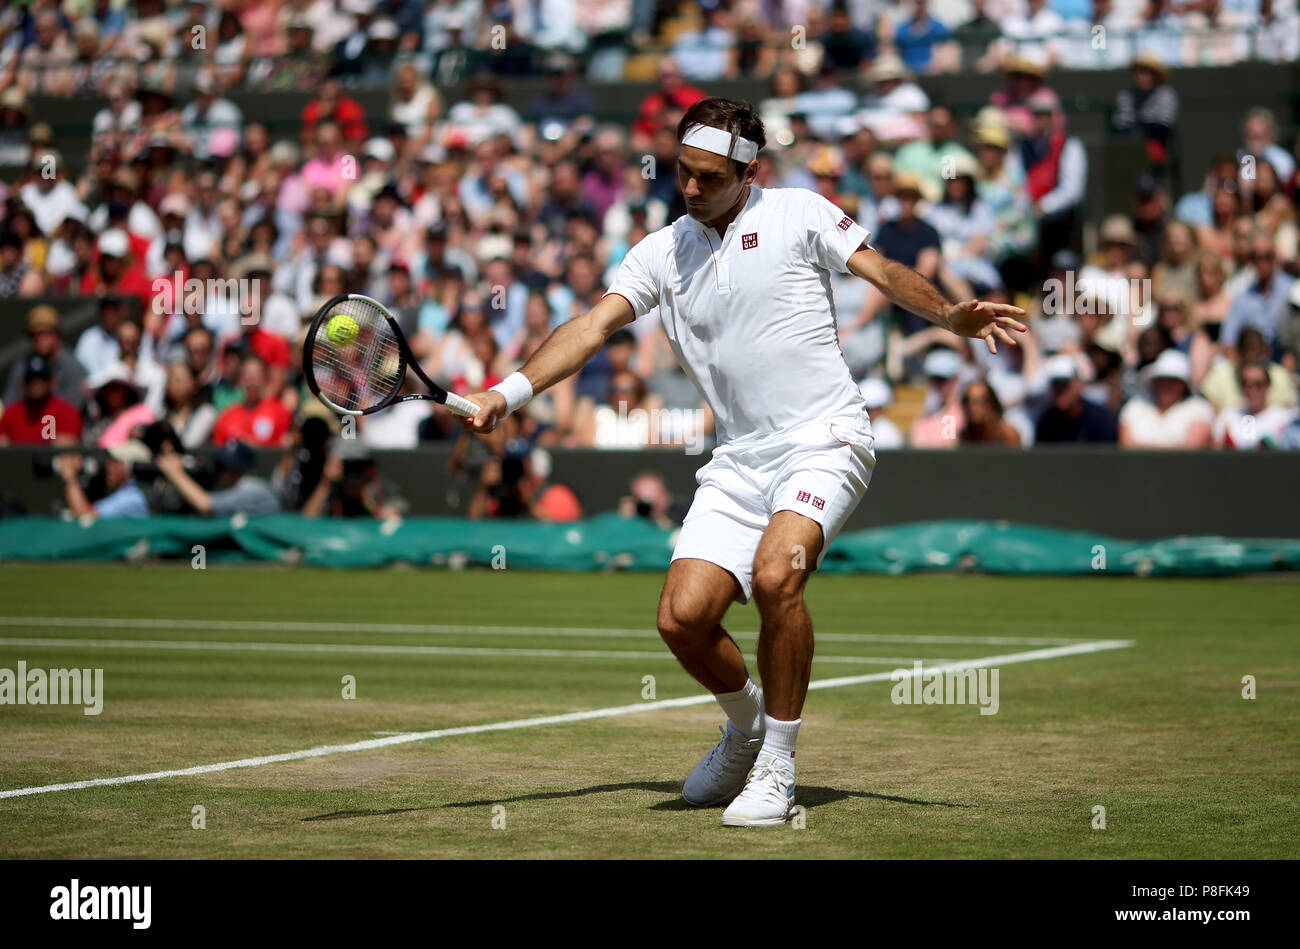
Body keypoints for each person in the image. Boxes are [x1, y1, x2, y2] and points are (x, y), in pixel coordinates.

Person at [454, 98, 1025, 827]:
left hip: (826, 437)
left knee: (776, 574)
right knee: (680, 619)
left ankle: (779, 762)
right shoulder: (663, 249)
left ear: (748, 172)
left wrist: (948, 315)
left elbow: (880, 272)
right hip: (739, 458)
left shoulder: (799, 212)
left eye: (708, 178)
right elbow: (594, 326)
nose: (689, 189)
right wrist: (508, 392)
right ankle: (746, 726)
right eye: (683, 174)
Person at [155, 438, 280, 516]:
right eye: (222, 466)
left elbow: (205, 505)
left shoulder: (253, 487)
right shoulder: (235, 486)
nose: (225, 473)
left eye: (232, 468)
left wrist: (176, 473)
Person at [1118, 349, 1214, 448]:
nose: (1167, 385)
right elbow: (1126, 445)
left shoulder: (1199, 408)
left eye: (1173, 381)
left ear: (1184, 384)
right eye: (1162, 379)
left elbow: (1191, 449)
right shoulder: (1134, 407)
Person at [58, 439, 151, 520]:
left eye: (114, 462)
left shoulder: (133, 497)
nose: (108, 467)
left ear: (130, 467)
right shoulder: (127, 492)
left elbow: (86, 517)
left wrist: (70, 478)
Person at [1034, 354, 1119, 443]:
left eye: (1064, 384)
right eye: (1055, 385)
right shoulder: (1046, 423)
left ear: (1078, 384)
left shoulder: (1101, 420)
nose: (1060, 391)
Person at [0, 354, 82, 445]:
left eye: (42, 377)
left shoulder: (67, 412)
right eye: (31, 378)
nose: (36, 383)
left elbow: (69, 446)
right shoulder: (10, 413)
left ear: (52, 382)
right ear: (23, 383)